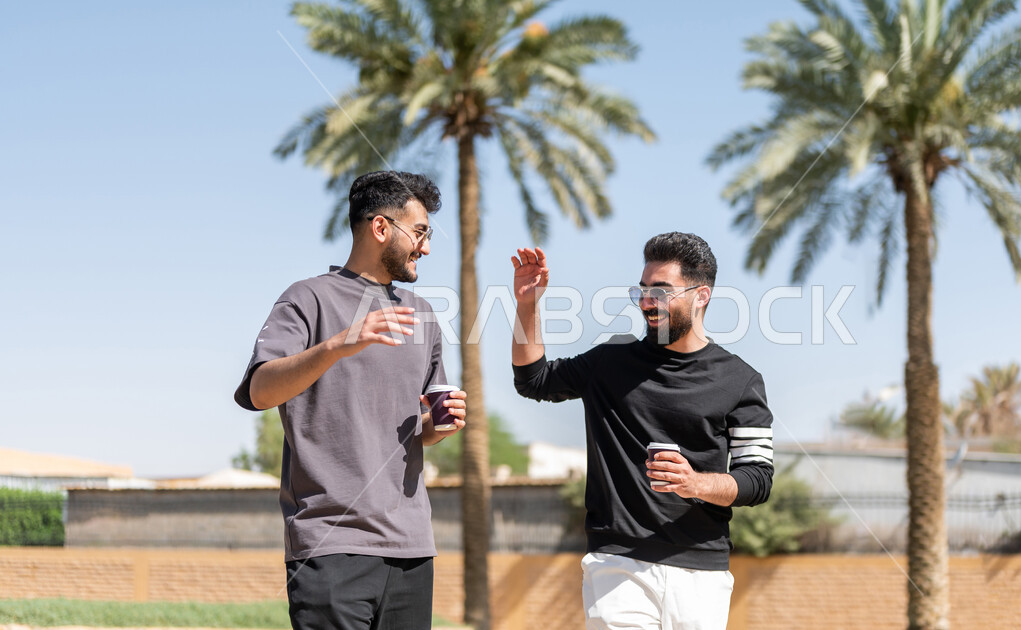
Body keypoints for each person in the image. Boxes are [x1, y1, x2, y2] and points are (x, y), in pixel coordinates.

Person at [234, 170, 467, 630]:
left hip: (412, 548)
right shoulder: (307, 299)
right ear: (381, 228)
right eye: (420, 231)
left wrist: (437, 426)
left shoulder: (422, 315)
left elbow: (414, 427)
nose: (426, 246)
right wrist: (338, 344)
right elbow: (260, 391)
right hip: (330, 544)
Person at [511, 232, 774, 630]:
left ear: (701, 296)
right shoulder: (608, 363)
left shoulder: (741, 380)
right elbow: (533, 379)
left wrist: (695, 484)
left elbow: (758, 479)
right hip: (617, 564)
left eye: (662, 290)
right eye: (643, 289)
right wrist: (527, 304)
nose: (648, 301)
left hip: (702, 572)